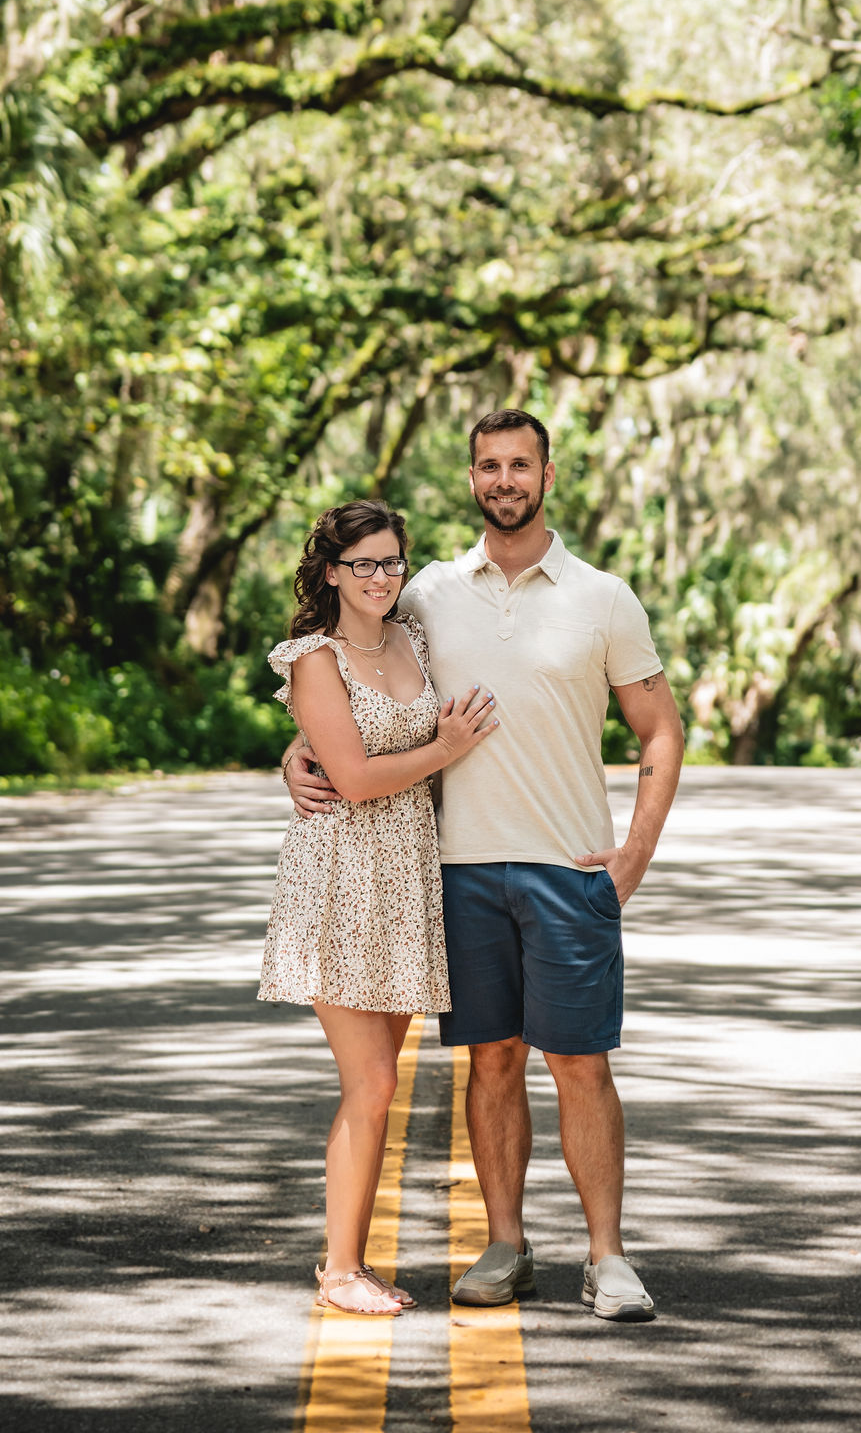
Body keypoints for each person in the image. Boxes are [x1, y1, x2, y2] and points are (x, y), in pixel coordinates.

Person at [285, 410, 683, 1322]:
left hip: (568, 868)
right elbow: (356, 677)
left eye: (520, 465)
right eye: (488, 465)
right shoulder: (424, 591)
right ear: (472, 478)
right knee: (492, 1063)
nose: (504, 479)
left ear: (549, 476)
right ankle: (504, 1245)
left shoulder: (604, 598)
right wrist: (296, 754)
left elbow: (661, 730)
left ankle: (608, 1258)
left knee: (580, 1064)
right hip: (454, 871)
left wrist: (634, 853)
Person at [258, 497, 498, 1317]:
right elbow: (354, 779)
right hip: (342, 878)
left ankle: (348, 1264)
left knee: (379, 1082)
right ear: (330, 571)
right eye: (363, 563)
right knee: (369, 1082)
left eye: (392, 561)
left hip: (406, 876)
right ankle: (338, 1272)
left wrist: (298, 753)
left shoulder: (413, 637)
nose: (381, 577)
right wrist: (445, 748)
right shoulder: (314, 658)